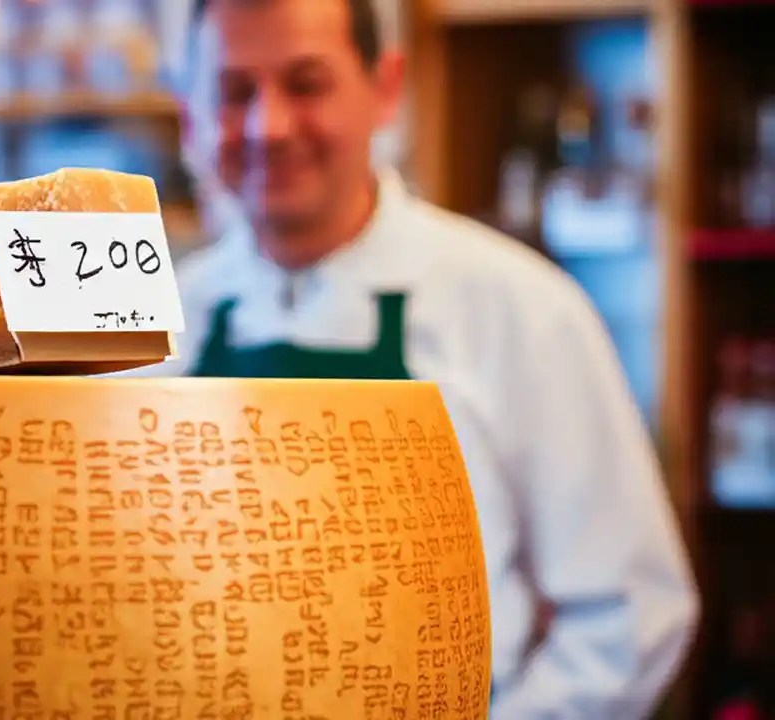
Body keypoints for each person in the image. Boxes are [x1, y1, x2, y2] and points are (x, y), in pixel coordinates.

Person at [144, 0, 700, 716]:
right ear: (189, 115)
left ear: (385, 89)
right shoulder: (154, 325)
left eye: (306, 84)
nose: (268, 126)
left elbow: (631, 615)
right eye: (233, 93)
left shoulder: (518, 308)